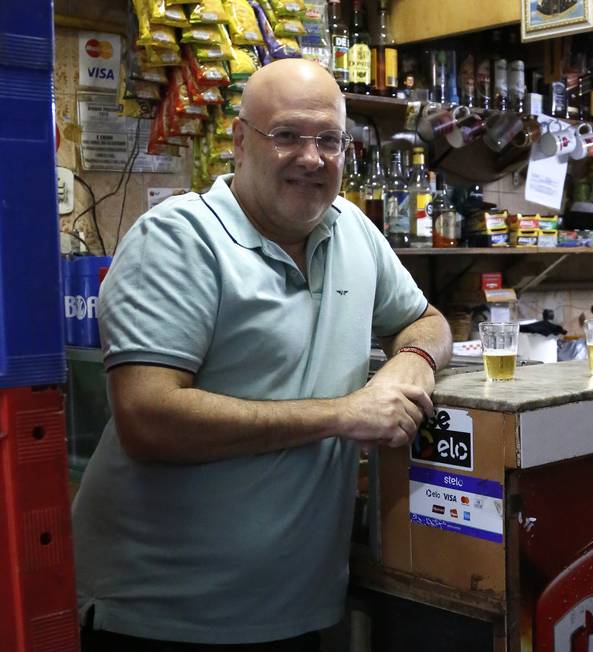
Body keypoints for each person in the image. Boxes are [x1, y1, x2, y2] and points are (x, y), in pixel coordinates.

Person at [72, 59, 452, 651]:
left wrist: (413, 364)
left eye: (329, 140)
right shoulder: (179, 239)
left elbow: (423, 320)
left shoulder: (351, 228)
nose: (312, 157)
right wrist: (345, 413)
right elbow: (147, 418)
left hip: (295, 610)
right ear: (240, 142)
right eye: (288, 136)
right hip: (165, 616)